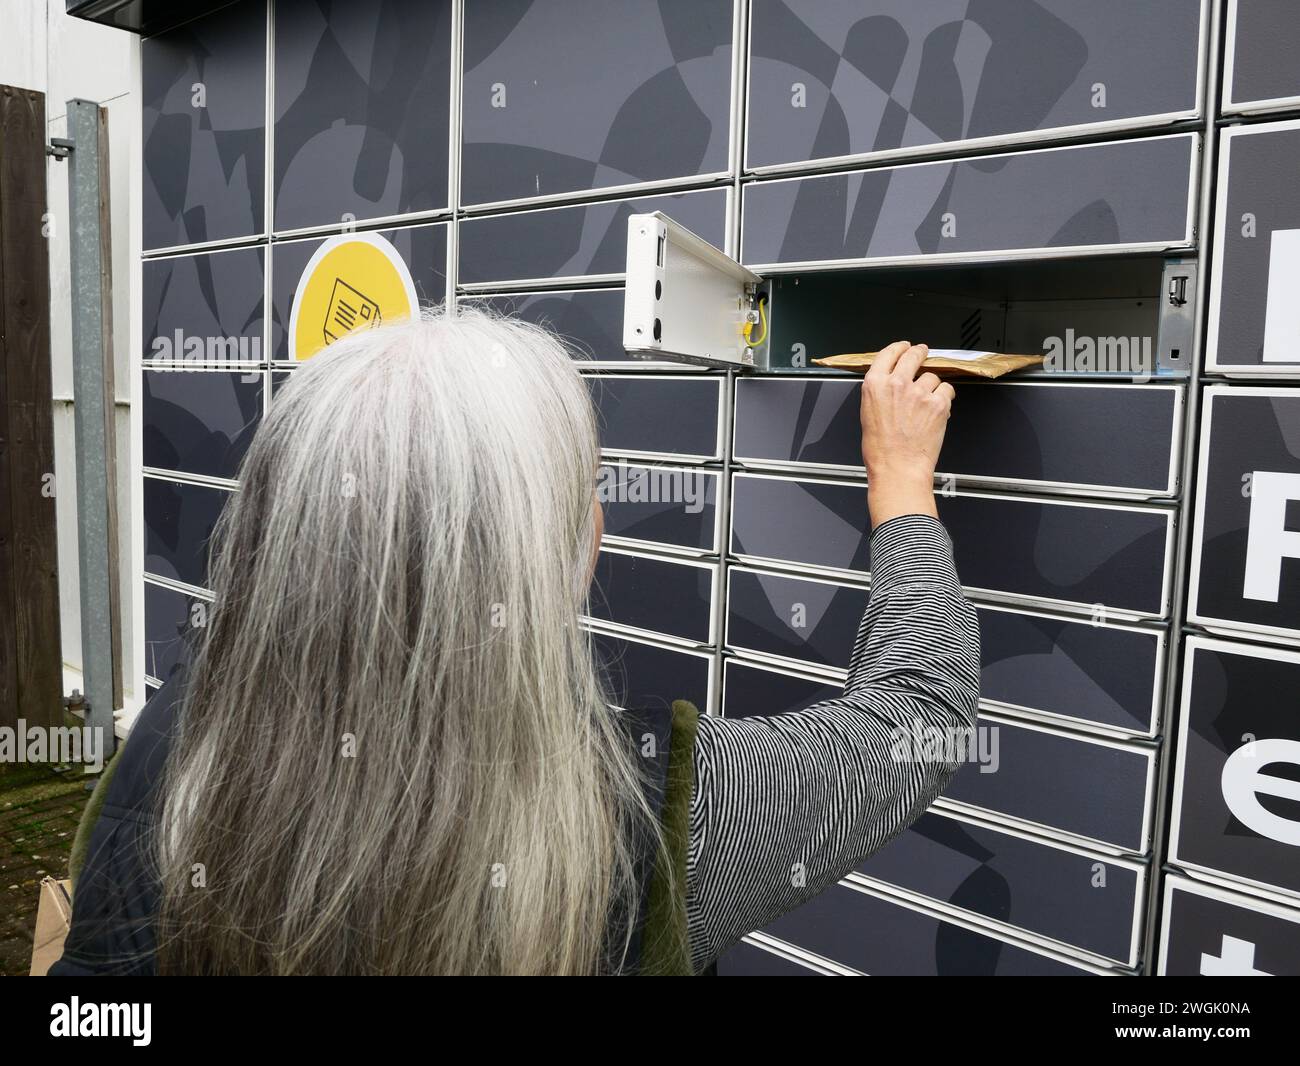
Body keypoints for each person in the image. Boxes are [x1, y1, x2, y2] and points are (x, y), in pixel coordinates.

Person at [52, 308, 979, 976]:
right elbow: (917, 720)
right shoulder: (659, 816)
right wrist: (901, 483)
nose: (602, 516)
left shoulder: (179, 741)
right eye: (582, 492)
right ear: (559, 557)